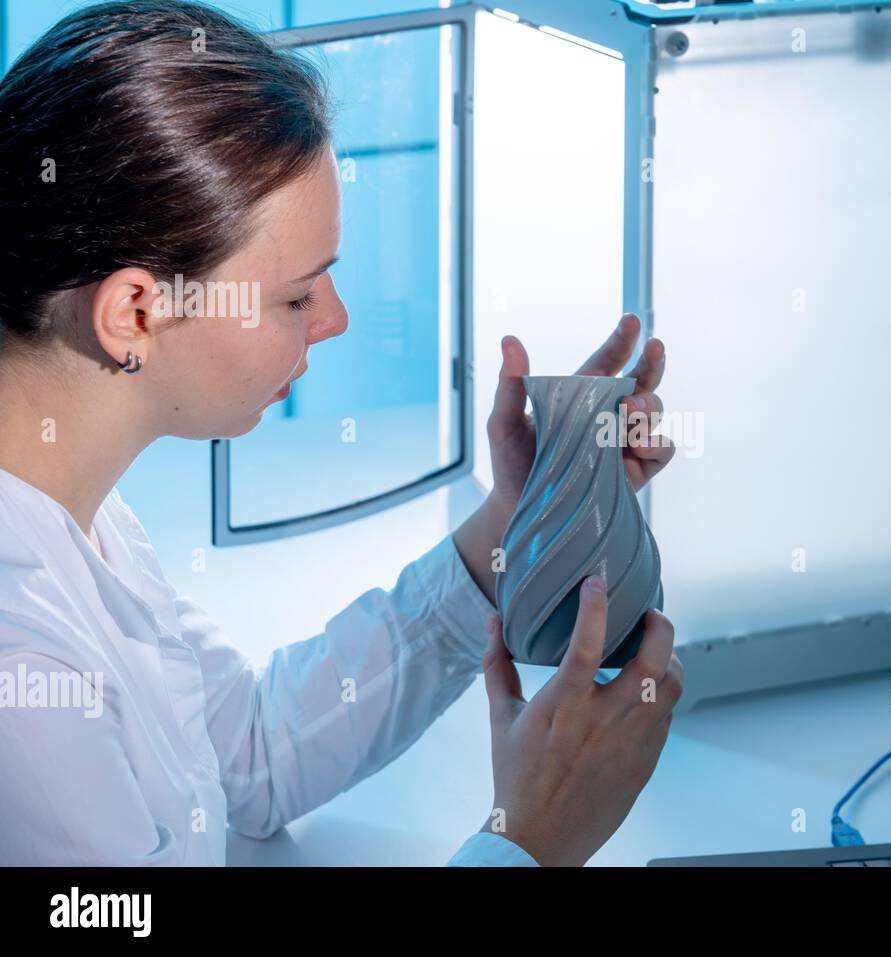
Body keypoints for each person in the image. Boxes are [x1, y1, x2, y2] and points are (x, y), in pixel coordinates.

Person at [0, 0, 680, 867]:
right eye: (296, 296)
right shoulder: (23, 678)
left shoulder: (71, 505)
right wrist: (533, 841)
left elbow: (247, 752)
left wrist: (519, 519)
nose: (337, 319)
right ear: (133, 311)